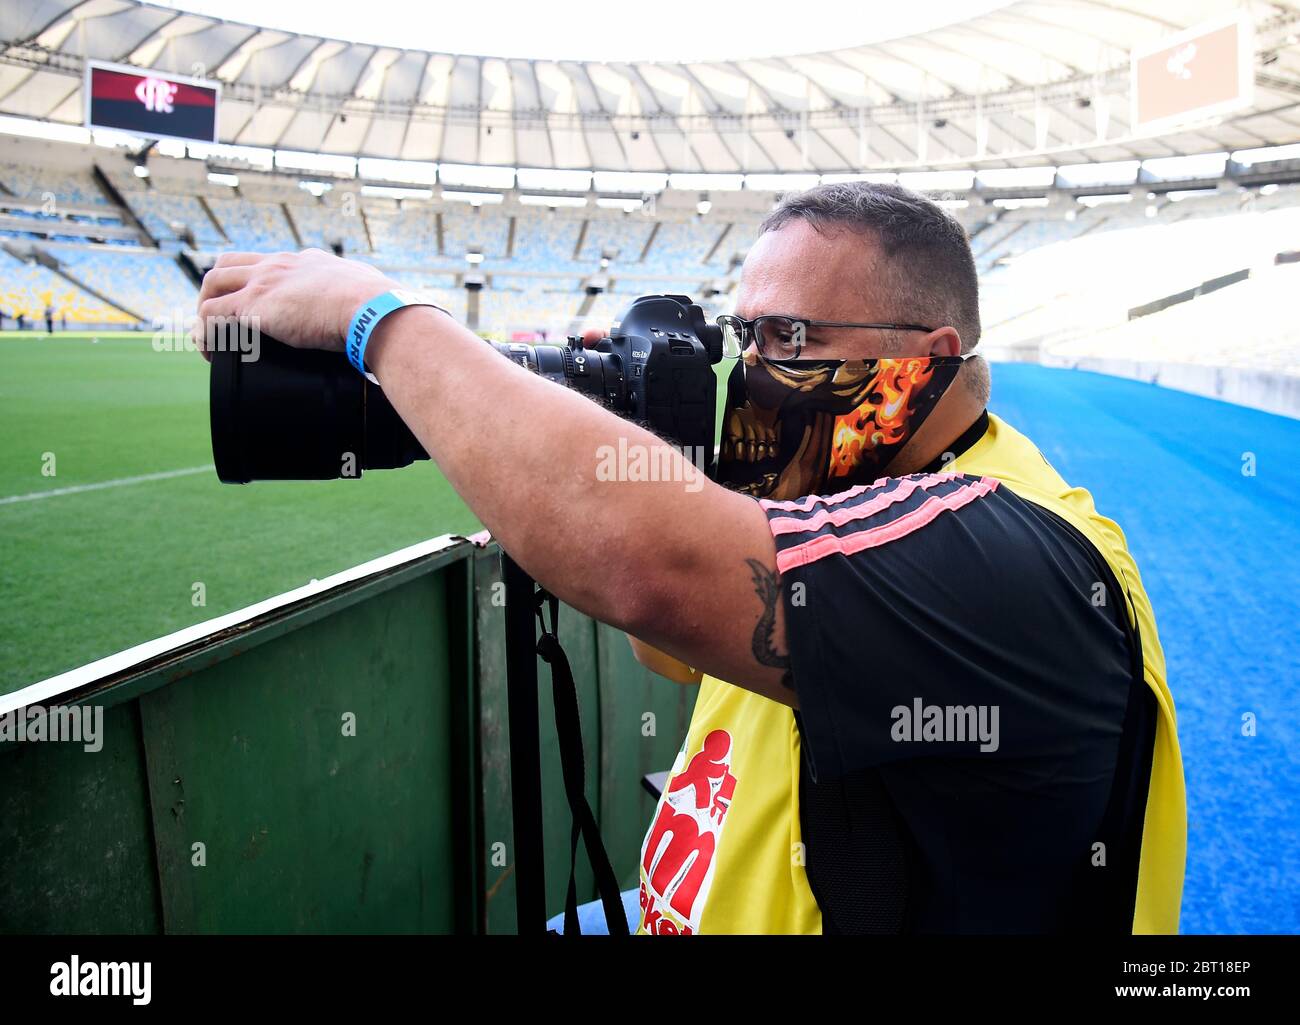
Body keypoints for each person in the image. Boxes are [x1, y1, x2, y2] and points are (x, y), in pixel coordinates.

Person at [192, 181, 1186, 935]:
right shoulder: (838, 491)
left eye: (787, 337)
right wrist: (619, 446)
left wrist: (380, 322)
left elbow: (649, 571)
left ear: (924, 353)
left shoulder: (1012, 545)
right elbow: (672, 644)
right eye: (743, 336)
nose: (751, 374)